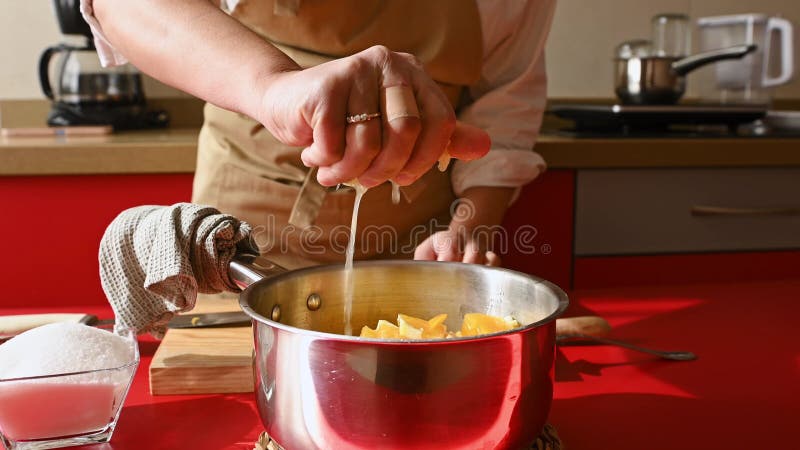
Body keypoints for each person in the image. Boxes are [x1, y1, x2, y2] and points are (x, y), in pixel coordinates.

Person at [82, 0, 556, 269]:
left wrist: (470, 229)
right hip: (241, 248)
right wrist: (272, 87)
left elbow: (505, 109)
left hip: (416, 252)